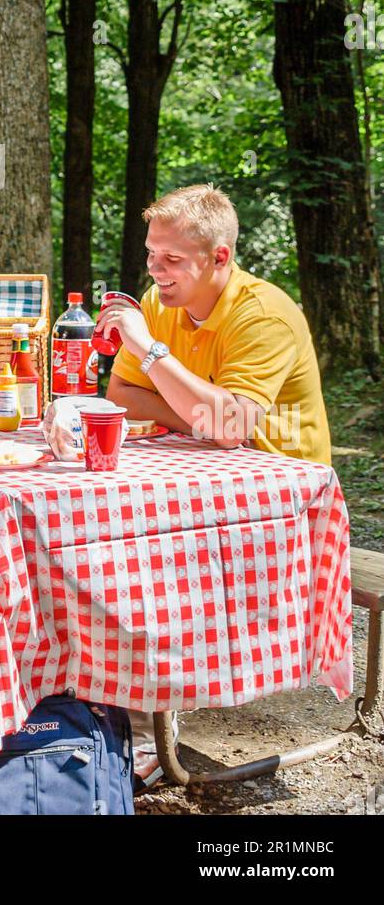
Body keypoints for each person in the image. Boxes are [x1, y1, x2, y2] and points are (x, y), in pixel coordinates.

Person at [95, 183, 331, 786]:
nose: (155, 270)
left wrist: (155, 361)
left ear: (219, 257)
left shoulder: (262, 312)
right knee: (95, 542)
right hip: (203, 481)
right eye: (152, 255)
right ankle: (100, 714)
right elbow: (120, 395)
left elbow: (229, 423)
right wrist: (196, 412)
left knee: (132, 558)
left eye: (171, 260)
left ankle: (144, 737)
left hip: (283, 512)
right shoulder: (157, 299)